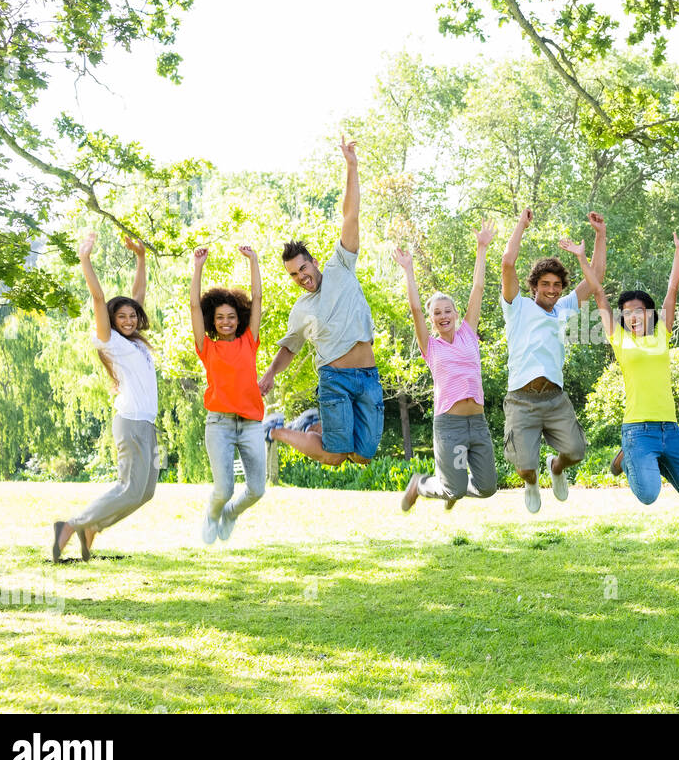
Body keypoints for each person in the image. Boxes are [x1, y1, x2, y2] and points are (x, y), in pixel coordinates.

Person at [258, 136, 383, 466]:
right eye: (294, 275)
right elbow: (290, 346)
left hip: (368, 375)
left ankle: (311, 424)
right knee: (334, 456)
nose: (301, 278)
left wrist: (351, 165)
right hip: (335, 379)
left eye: (303, 268)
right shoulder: (302, 309)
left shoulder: (340, 266)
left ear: (313, 261)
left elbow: (350, 216)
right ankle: (275, 430)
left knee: (362, 456)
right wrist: (270, 374)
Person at [560, 232, 679, 505]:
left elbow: (672, 290)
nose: (632, 316)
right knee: (648, 495)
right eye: (626, 312)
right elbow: (599, 292)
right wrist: (581, 257)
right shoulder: (619, 337)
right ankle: (628, 460)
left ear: (649, 312)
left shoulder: (662, 331)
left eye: (638, 310)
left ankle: (649, 459)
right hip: (638, 429)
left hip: (671, 428)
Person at [53, 233, 156, 562]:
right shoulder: (110, 341)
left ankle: (90, 528)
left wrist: (141, 258)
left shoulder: (137, 342)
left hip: (146, 424)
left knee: (145, 492)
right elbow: (98, 299)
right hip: (130, 422)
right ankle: (71, 526)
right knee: (129, 488)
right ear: (110, 321)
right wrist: (85, 259)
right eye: (121, 316)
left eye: (132, 316)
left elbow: (137, 295)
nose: (128, 320)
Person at [500, 207, 607, 513]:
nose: (551, 289)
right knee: (522, 464)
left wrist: (600, 235)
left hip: (555, 398)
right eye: (545, 284)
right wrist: (521, 223)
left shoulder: (564, 309)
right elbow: (508, 262)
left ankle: (556, 468)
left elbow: (595, 277)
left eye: (557, 285)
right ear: (534, 286)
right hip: (521, 399)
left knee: (575, 451)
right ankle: (531, 480)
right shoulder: (516, 307)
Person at [394, 220, 499, 512]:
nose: (443, 316)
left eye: (447, 311)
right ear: (432, 319)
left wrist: (482, 247)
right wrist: (409, 270)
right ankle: (421, 485)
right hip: (450, 427)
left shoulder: (468, 332)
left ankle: (451, 488)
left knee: (488, 487)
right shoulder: (431, 346)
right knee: (453, 486)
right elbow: (415, 308)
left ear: (455, 314)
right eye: (437, 313)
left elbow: (478, 288)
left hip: (477, 424)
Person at [190, 245, 265, 545]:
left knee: (257, 489)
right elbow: (195, 306)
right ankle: (212, 515)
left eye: (231, 317)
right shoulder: (206, 347)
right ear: (213, 320)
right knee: (223, 489)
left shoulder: (250, 341)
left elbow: (258, 298)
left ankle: (230, 514)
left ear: (240, 318)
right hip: (219, 425)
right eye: (220, 317)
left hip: (250, 425)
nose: (226, 322)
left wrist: (254, 261)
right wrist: (198, 267)